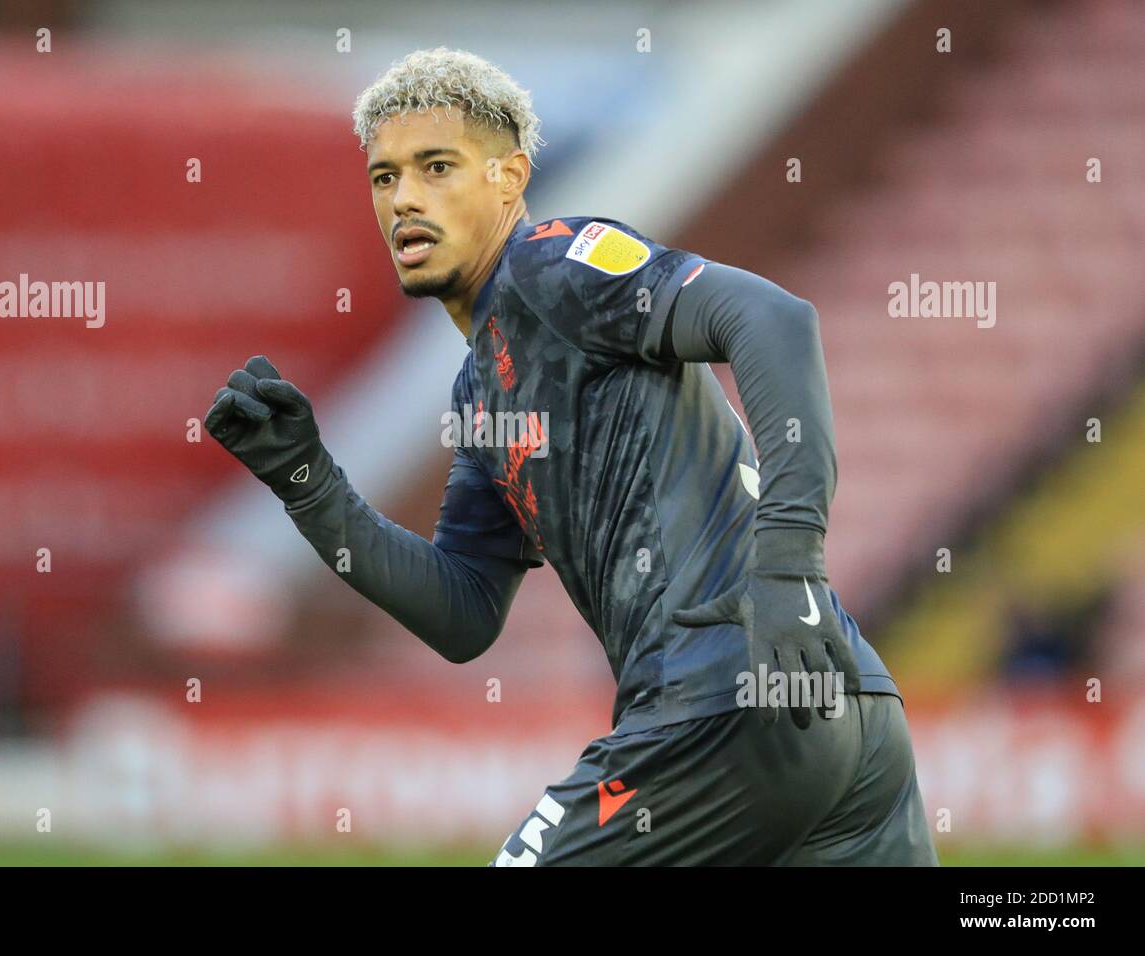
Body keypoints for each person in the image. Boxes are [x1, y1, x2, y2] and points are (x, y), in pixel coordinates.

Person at [205, 47, 938, 866]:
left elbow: (772, 319)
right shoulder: (482, 390)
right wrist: (309, 484)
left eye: (436, 166)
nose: (405, 197)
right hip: (847, 716)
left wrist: (789, 557)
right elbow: (463, 610)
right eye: (385, 177)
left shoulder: (552, 265)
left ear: (510, 177)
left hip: (719, 702)